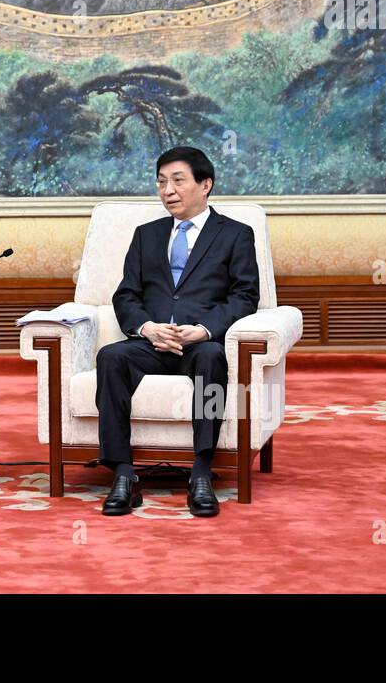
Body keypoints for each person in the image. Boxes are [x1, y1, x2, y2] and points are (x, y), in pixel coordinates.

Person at [96, 146, 259, 518]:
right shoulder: (146, 235)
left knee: (214, 359)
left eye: (177, 180)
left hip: (200, 345)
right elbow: (126, 295)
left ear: (205, 185)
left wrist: (203, 330)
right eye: (161, 182)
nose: (167, 190)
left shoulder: (235, 235)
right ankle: (123, 473)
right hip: (151, 343)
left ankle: (201, 471)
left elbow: (245, 296)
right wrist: (148, 328)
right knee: (110, 357)